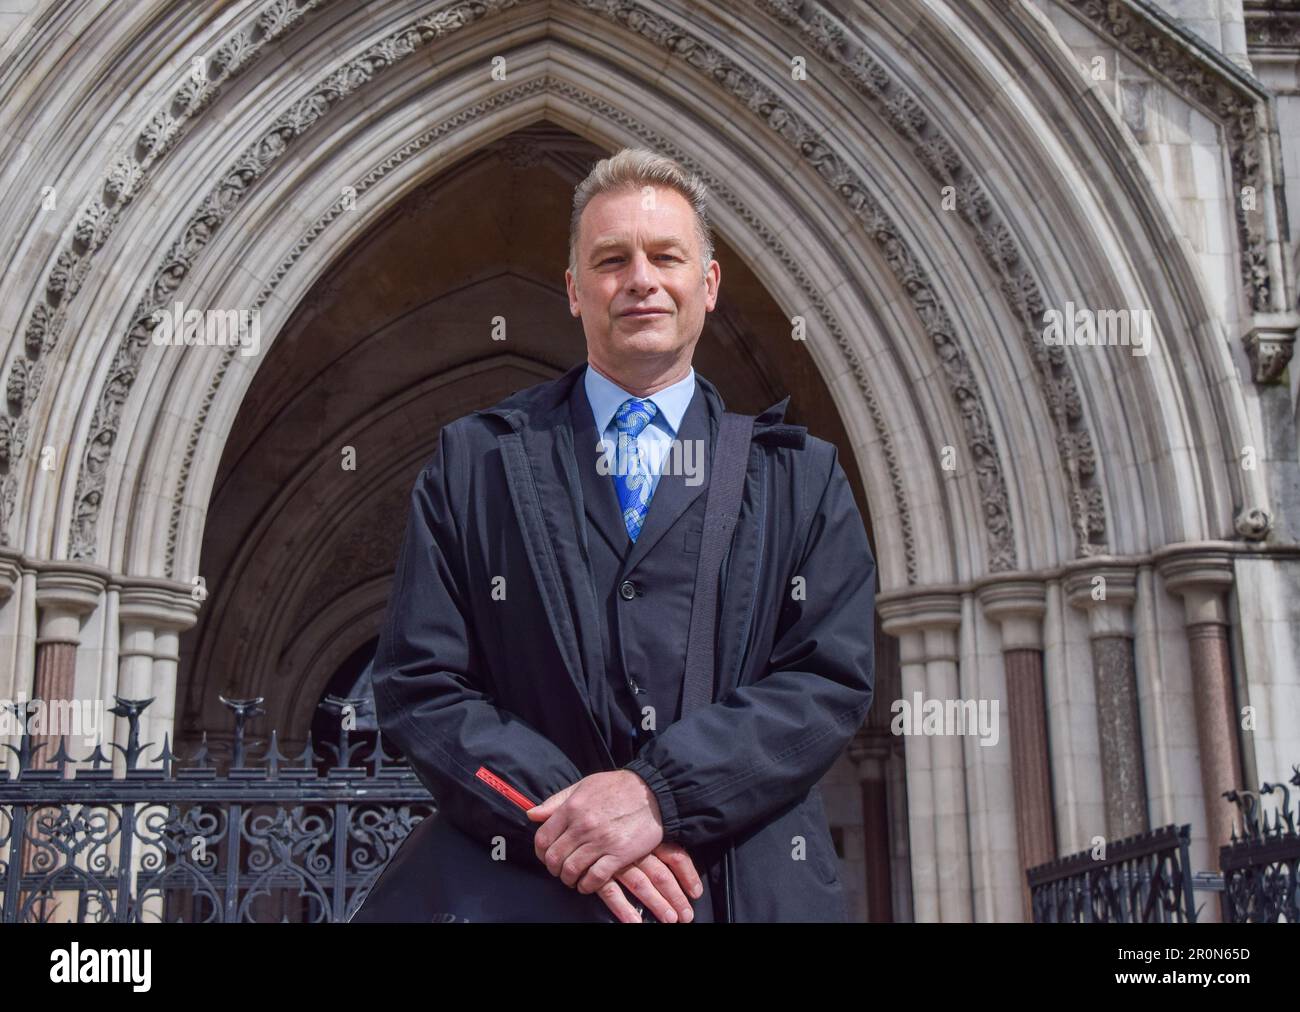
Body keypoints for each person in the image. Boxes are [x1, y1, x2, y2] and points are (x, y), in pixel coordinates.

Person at [369, 147, 876, 922]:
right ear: (575, 292)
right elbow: (419, 684)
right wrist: (573, 822)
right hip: (523, 885)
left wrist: (660, 795)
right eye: (611, 260)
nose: (640, 278)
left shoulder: (803, 480)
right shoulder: (474, 464)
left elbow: (827, 681)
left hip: (738, 890)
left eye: (665, 256)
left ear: (706, 284)